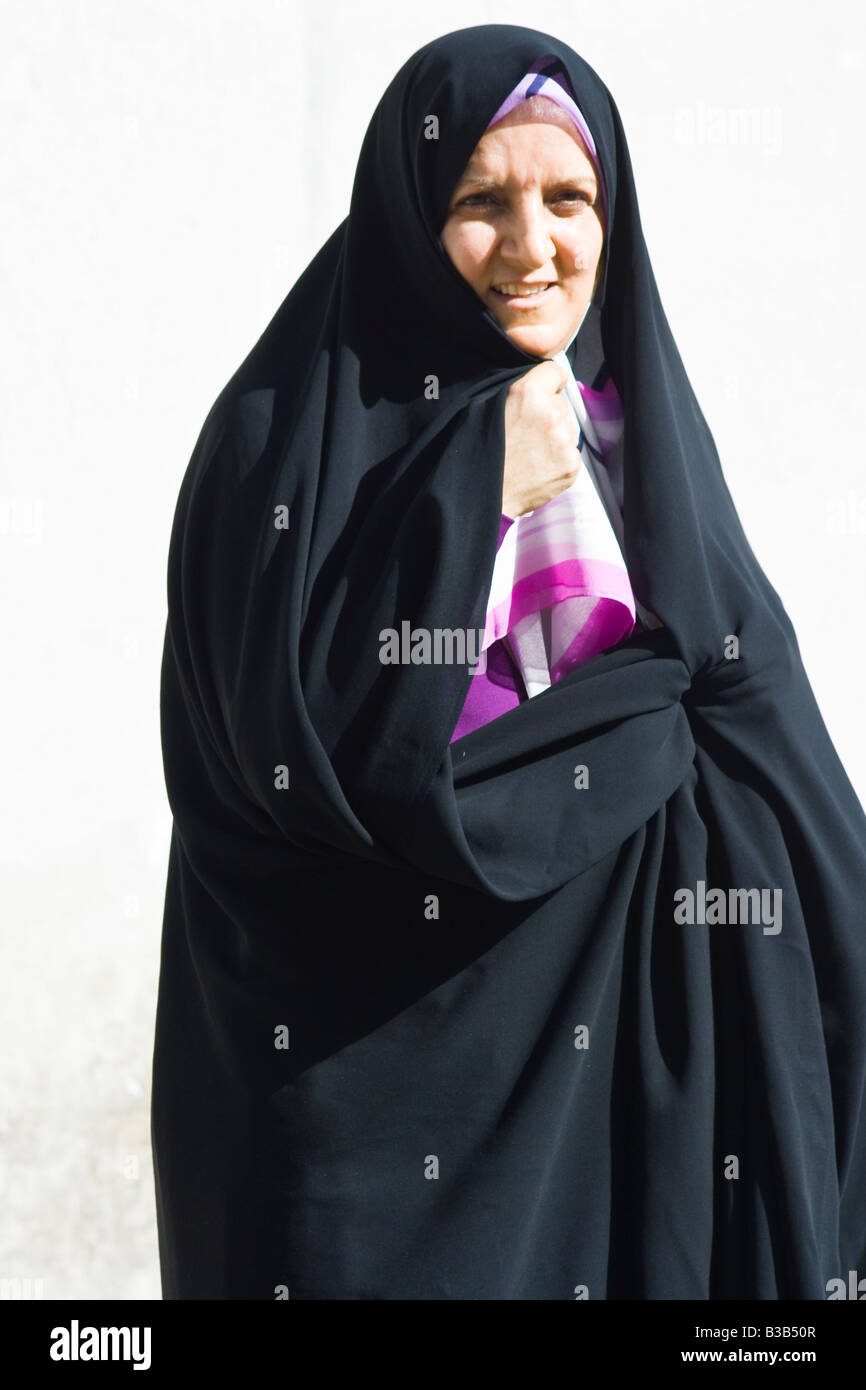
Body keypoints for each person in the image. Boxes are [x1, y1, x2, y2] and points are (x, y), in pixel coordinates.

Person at [151, 23, 866, 1300]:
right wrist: (471, 492)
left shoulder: (635, 433)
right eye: (480, 201)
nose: (533, 247)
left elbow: (760, 735)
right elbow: (287, 764)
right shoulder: (278, 446)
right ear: (408, 209)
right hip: (344, 1119)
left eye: (569, 197)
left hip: (609, 1114)